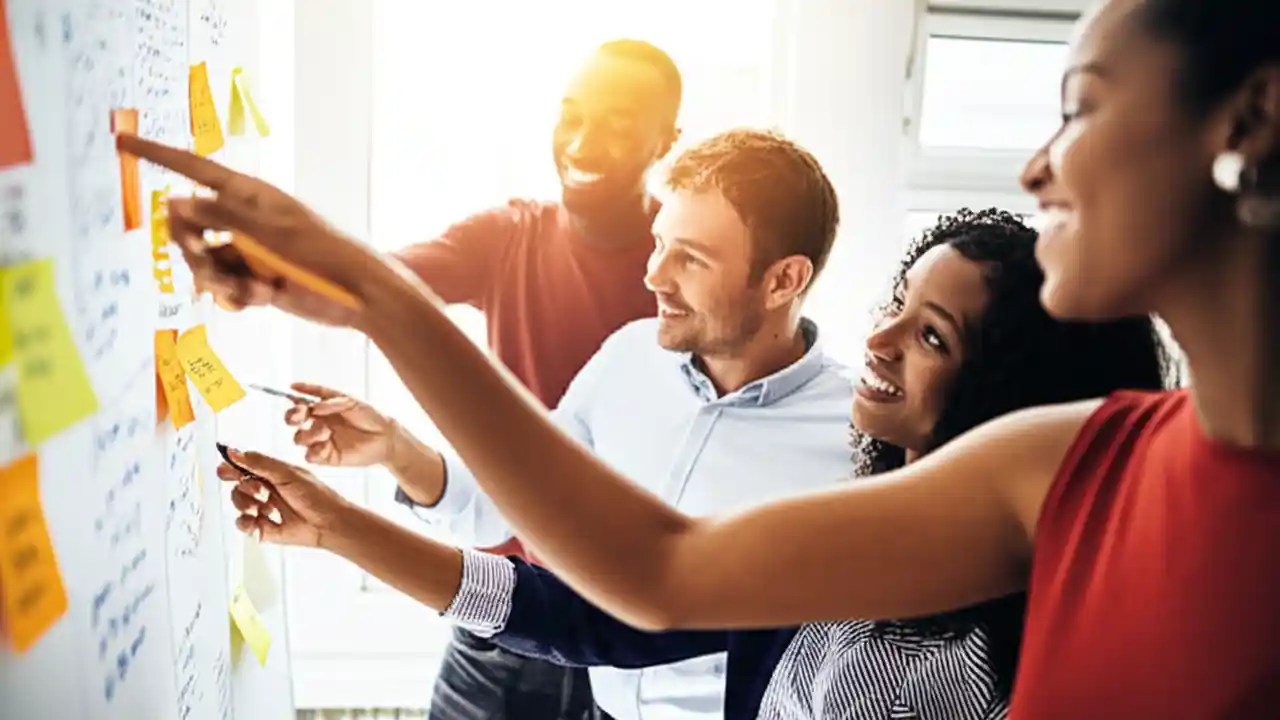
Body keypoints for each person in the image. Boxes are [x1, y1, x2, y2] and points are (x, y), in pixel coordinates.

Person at [118, 0, 1280, 713]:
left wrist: (372, 297)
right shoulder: (1060, 461)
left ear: (1251, 122)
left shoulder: (885, 453)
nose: (1034, 168)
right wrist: (346, 504)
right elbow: (636, 586)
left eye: (1078, 106)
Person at [221, 209, 1171, 719]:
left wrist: (382, 302)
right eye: (897, 302)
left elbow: (649, 580)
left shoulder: (1019, 657)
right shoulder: (856, 531)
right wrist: (339, 528)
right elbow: (597, 615)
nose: (877, 339)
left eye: (930, 335)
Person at [275, 128, 853, 720]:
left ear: (784, 280)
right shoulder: (630, 356)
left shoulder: (854, 448)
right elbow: (515, 499)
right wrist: (395, 449)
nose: (655, 275)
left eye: (692, 259)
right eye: (660, 244)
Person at [216, 38, 684, 720]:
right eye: (571, 114)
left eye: (618, 123)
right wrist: (260, 265)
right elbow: (370, 282)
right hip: (499, 615)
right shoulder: (509, 237)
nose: (582, 142)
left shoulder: (684, 275)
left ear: (666, 139)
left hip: (624, 636)